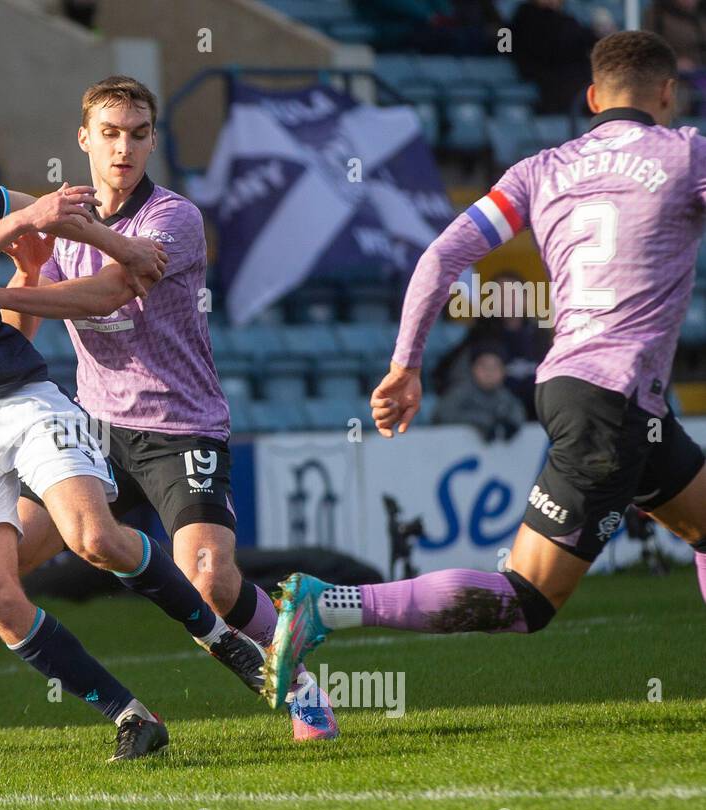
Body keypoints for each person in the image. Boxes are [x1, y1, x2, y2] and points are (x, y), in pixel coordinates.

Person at [0, 76, 338, 761]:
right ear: (83, 140)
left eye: (138, 134)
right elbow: (22, 324)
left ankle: (303, 693)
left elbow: (109, 292)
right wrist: (18, 292)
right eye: (110, 133)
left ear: (150, 142)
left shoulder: (172, 218)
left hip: (181, 427)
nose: (124, 148)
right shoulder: (62, 221)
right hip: (93, 428)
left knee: (208, 576)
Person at [265, 30, 706, 706]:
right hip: (610, 404)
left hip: (576, 387)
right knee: (526, 599)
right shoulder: (686, 154)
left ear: (591, 98)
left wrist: (405, 365)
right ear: (669, 93)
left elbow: (439, 257)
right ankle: (328, 606)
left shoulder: (541, 168)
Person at [508, 0, 602, 115]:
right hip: (551, 80)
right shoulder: (526, 17)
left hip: (571, 78)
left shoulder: (564, 19)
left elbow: (591, 41)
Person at [432, 342, 526, 440]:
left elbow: (517, 411)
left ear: (503, 372)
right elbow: (443, 414)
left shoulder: (503, 394)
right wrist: (482, 421)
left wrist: (512, 423)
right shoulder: (461, 391)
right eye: (484, 367)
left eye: (495, 367)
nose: (489, 372)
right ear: (473, 368)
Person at [648, 0, 706, 72]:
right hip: (678, 75)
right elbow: (649, 51)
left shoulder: (702, 11)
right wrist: (673, 63)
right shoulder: (658, 14)